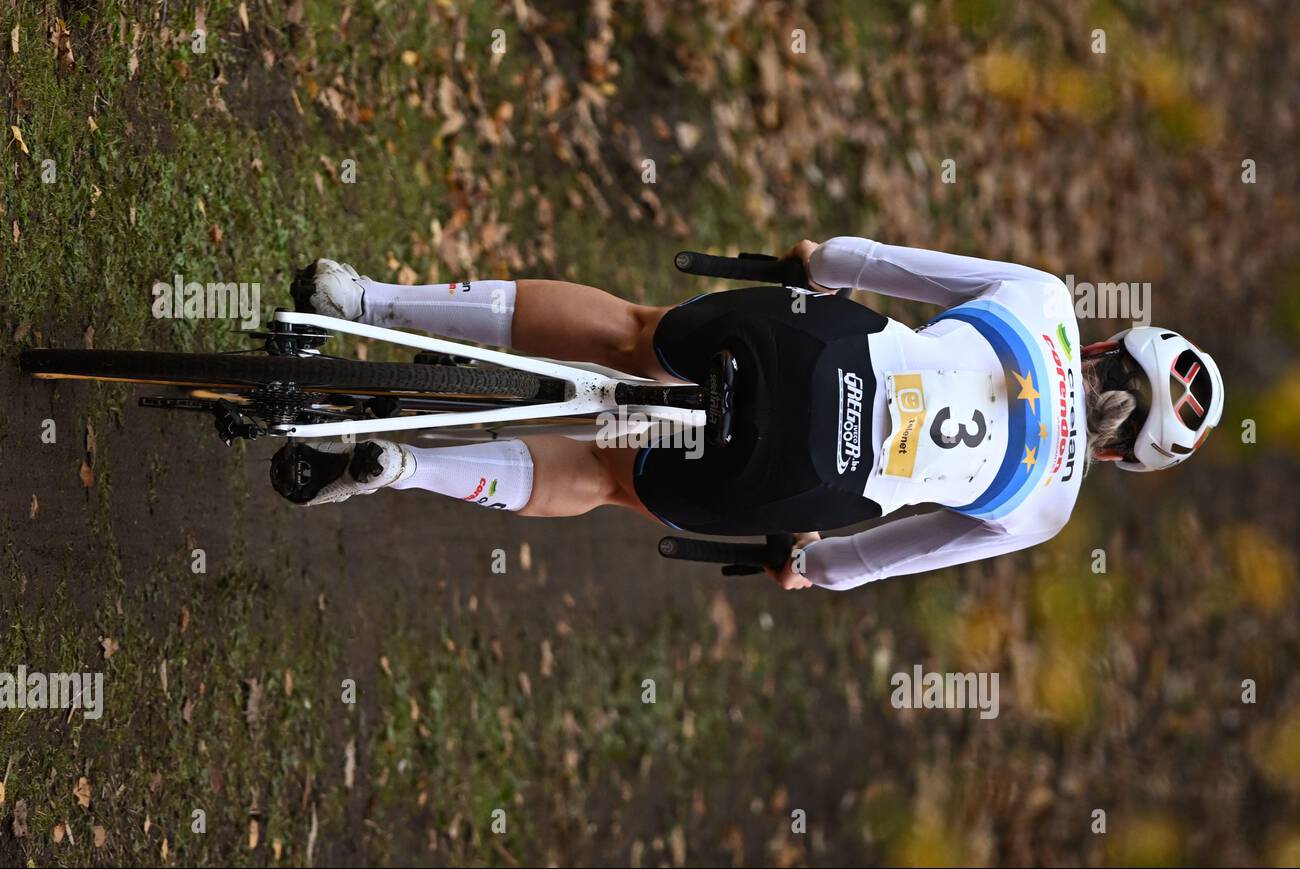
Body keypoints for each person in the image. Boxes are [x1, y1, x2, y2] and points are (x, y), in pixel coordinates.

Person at [278, 237, 1224, 591]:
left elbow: (888, 265)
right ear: (1123, 461)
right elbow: (895, 557)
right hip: (820, 476)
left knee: (630, 331)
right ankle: (402, 467)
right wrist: (808, 565)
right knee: (613, 479)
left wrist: (821, 259)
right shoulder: (1047, 509)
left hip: (823, 348)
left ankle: (363, 301)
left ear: (1109, 347)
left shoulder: (1047, 300)